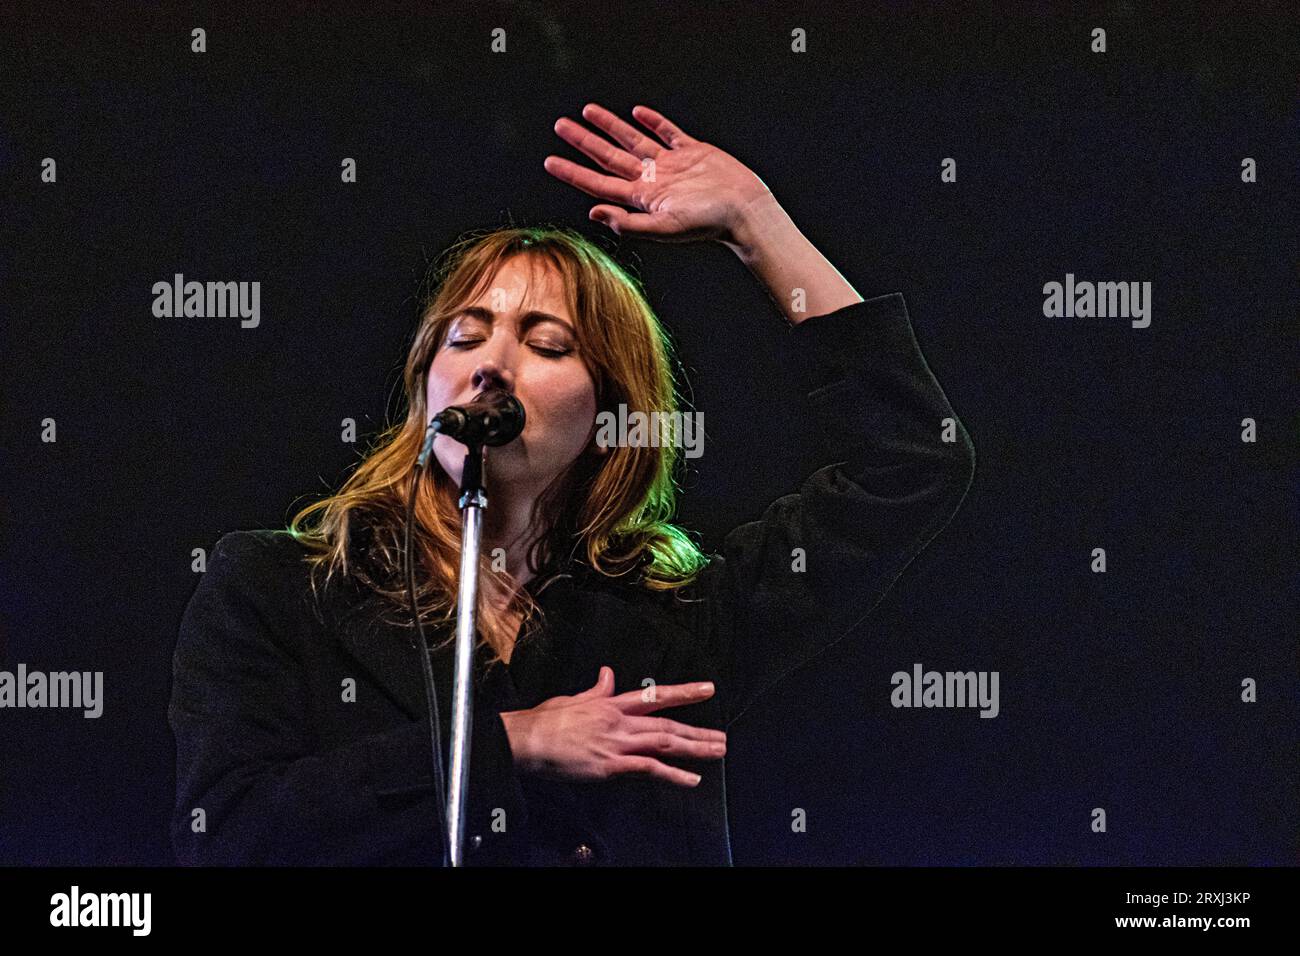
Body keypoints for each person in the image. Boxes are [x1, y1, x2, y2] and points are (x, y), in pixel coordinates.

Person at [169, 103, 976, 866]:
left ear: (608, 412)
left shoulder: (673, 618)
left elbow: (909, 461)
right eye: (465, 336)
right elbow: (230, 833)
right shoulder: (284, 587)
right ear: (424, 385)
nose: (490, 362)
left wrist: (757, 224)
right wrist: (516, 742)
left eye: (546, 344)